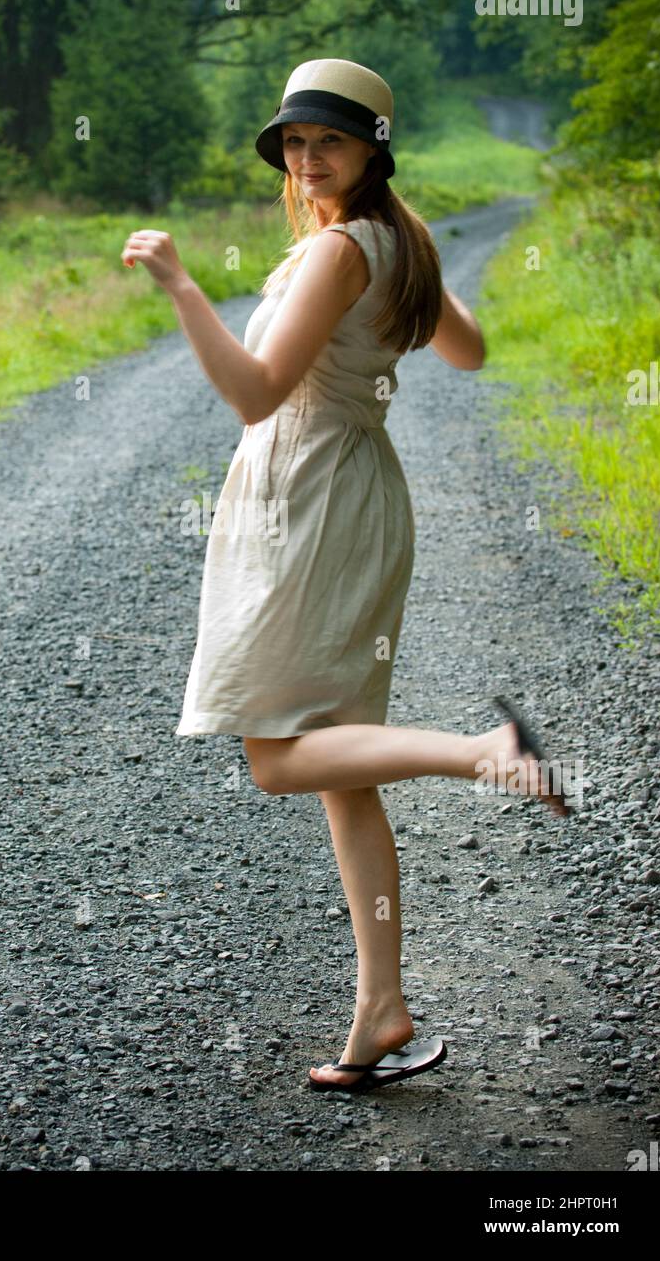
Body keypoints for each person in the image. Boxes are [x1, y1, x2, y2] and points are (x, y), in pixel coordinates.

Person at [121, 58, 568, 1094]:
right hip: (360, 490)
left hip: (312, 498)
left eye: (329, 140)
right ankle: (383, 1011)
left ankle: (486, 753)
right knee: (343, 770)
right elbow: (469, 346)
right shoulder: (397, 236)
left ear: (372, 147)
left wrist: (186, 286)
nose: (306, 157)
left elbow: (254, 392)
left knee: (281, 758)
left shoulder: (337, 249)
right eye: (294, 140)